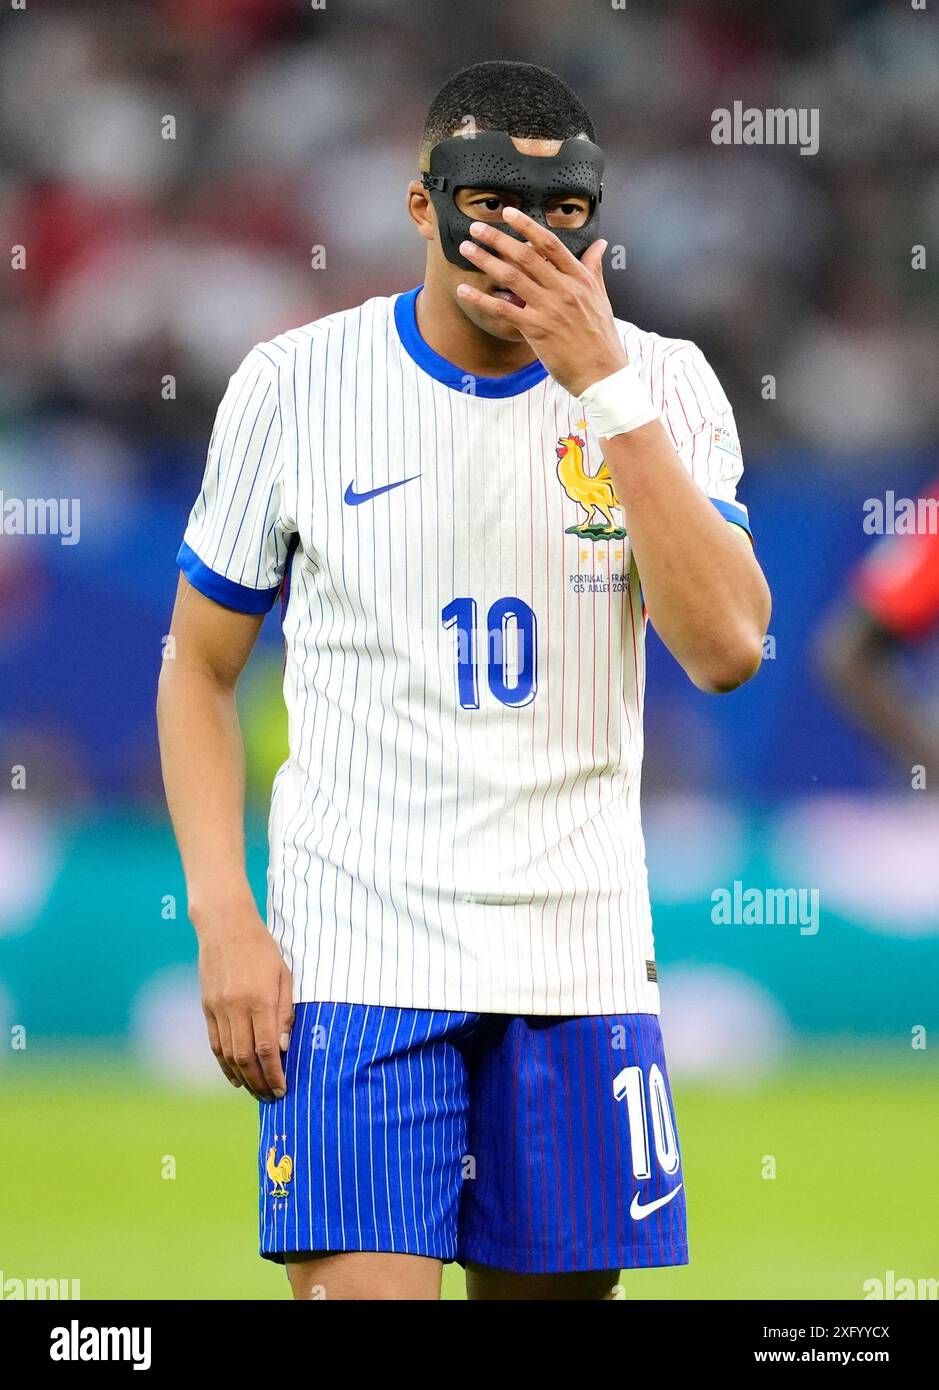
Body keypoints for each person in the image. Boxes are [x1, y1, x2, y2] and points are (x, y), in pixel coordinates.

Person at [157, 59, 771, 1301]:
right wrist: (225, 915)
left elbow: (724, 650)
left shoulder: (668, 383)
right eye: (491, 207)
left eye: (560, 216)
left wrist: (605, 387)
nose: (527, 245)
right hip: (358, 957)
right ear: (421, 205)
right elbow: (198, 668)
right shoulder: (294, 385)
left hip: (579, 952)